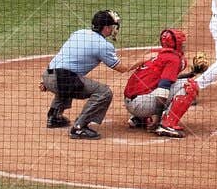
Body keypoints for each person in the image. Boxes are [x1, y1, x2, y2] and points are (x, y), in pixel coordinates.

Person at [41, 9, 132, 139]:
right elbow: (122, 69)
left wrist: (46, 82)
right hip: (61, 80)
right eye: (112, 26)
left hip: (47, 75)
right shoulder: (103, 45)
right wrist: (141, 62)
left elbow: (63, 58)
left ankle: (54, 117)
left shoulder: (79, 33)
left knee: (71, 78)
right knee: (104, 92)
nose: (113, 29)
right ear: (106, 28)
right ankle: (79, 127)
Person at [122, 27, 208, 138]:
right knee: (190, 85)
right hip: (140, 105)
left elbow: (164, 79)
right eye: (181, 43)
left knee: (177, 82)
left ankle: (140, 119)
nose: (183, 45)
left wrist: (192, 73)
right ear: (176, 44)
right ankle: (167, 125)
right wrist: (157, 118)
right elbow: (163, 88)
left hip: (132, 102)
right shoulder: (173, 59)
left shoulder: (158, 54)